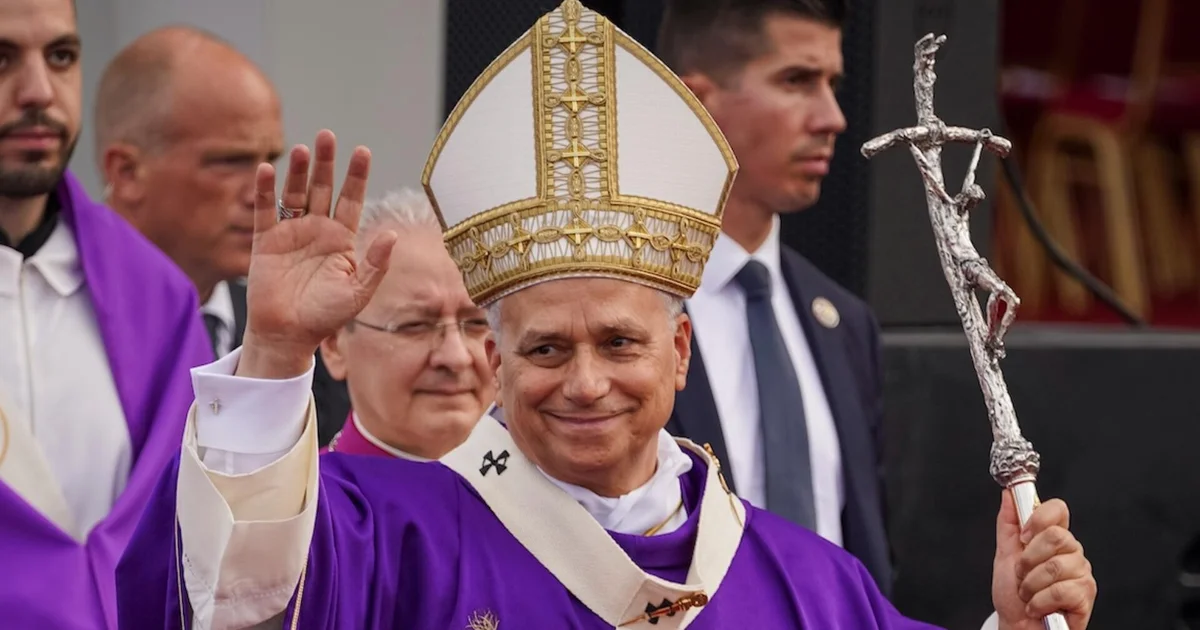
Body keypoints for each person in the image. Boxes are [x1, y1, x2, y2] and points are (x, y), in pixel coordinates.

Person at [116, 2, 1096, 628]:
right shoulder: (387, 537)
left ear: (679, 349)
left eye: (620, 341)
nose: (585, 381)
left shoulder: (806, 580)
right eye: (545, 346)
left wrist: (1010, 627)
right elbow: (232, 598)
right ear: (499, 361)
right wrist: (278, 353)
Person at [655, 0, 892, 590]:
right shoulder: (618, 313)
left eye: (832, 83)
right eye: (796, 81)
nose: (833, 116)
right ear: (697, 103)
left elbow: (867, 563)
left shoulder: (847, 323)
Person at [0, 1, 213, 628]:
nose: (39, 92)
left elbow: (200, 539)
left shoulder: (159, 300)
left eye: (61, 56)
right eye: (1, 58)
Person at [93, 25, 352, 445]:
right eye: (229, 162)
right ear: (126, 173)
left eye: (270, 160)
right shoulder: (53, 326)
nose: (261, 193)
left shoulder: (300, 339)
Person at [318, 188, 494, 459]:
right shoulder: (306, 497)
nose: (456, 357)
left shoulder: (562, 492)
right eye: (415, 326)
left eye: (476, 323)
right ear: (335, 346)